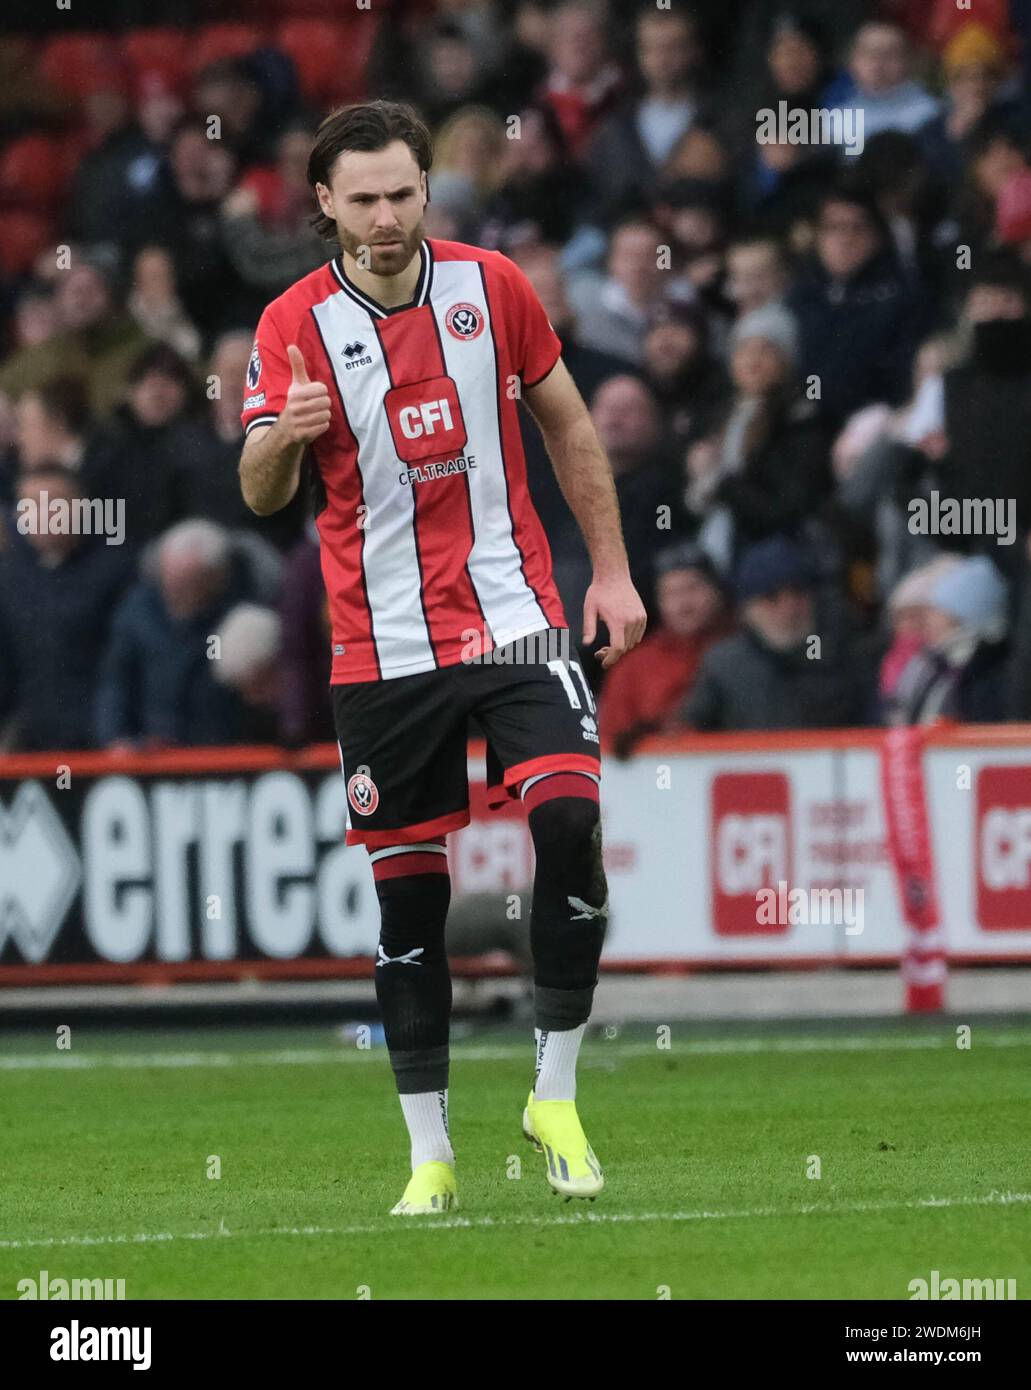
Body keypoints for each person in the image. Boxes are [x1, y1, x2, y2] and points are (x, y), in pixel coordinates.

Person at [237, 100, 646, 1215]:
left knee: (567, 815)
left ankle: (553, 1092)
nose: (383, 216)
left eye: (401, 194)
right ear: (322, 203)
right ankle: (430, 1157)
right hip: (381, 648)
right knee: (408, 907)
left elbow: (567, 425)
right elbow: (260, 490)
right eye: (361, 198)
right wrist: (282, 432)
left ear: (428, 192)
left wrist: (607, 572)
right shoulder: (289, 325)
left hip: (516, 612)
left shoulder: (493, 286)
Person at [598, 541, 732, 758]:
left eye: (692, 588)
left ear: (716, 592)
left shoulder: (744, 653)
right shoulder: (635, 667)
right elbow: (610, 742)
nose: (684, 603)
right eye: (671, 593)